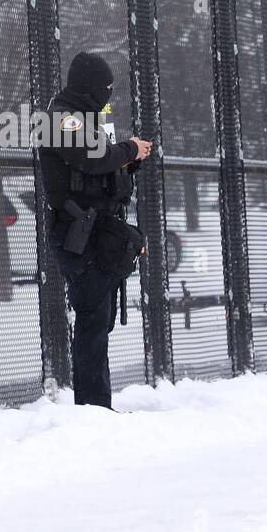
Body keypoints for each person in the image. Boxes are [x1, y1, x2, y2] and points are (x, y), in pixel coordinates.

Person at [39, 52, 152, 408]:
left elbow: (99, 166)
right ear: (87, 86)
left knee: (99, 318)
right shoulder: (59, 119)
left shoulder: (83, 119)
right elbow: (93, 158)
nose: (107, 95)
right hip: (78, 232)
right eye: (103, 88)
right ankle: (92, 409)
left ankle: (98, 405)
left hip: (96, 229)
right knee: (92, 317)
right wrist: (128, 149)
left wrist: (126, 161)